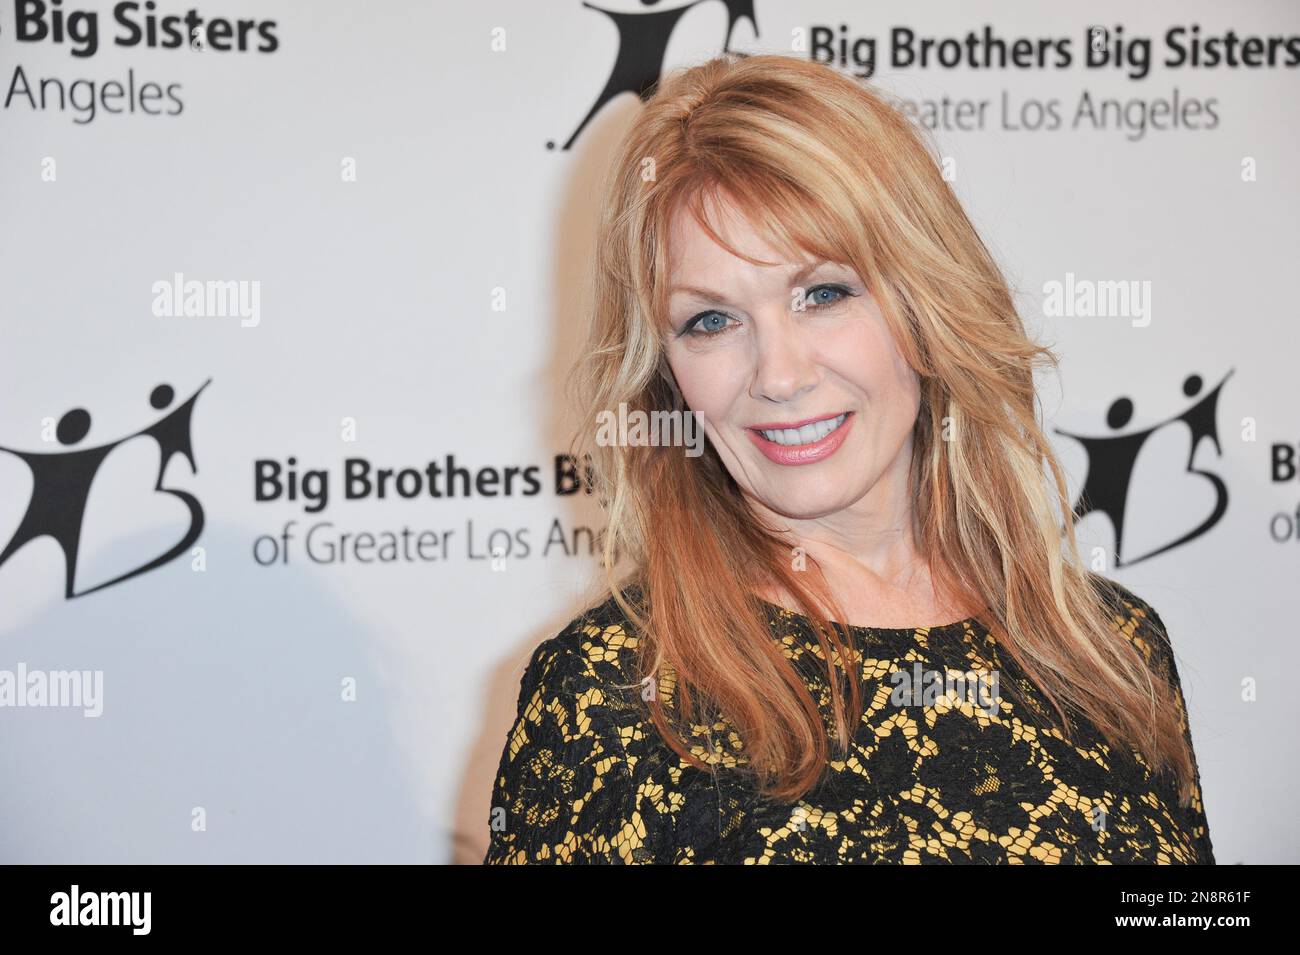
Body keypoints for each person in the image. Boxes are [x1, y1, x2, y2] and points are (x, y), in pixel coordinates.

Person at [483, 52, 1213, 864]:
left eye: (822, 293)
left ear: (926, 302)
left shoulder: (1110, 650)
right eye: (711, 321)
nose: (782, 375)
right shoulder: (606, 697)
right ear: (665, 376)